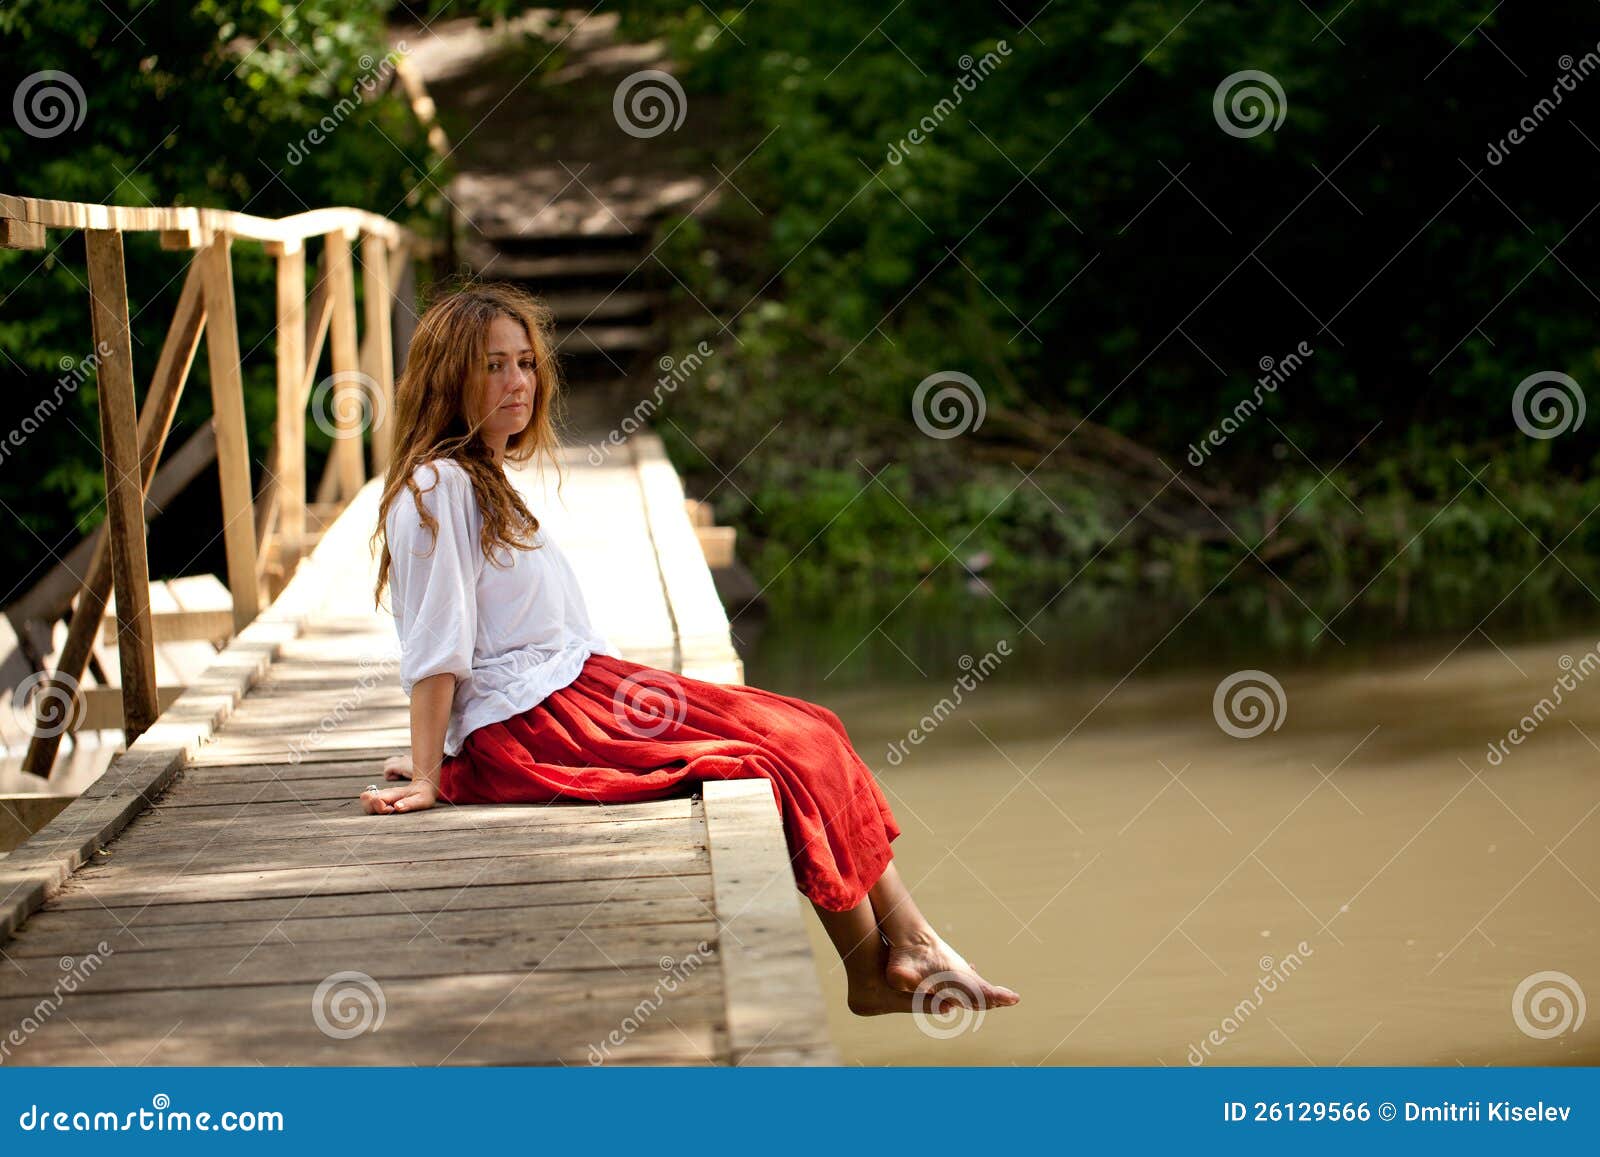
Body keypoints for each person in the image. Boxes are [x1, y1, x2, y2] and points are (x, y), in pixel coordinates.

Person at [362, 282, 1019, 1019]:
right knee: (775, 752)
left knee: (813, 726)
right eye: (493, 366)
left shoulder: (481, 477)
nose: (518, 382)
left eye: (524, 363)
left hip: (577, 687)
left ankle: (906, 941)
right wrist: (431, 769)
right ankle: (880, 963)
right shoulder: (439, 484)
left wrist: (445, 748)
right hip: (540, 717)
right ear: (448, 377)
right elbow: (440, 640)